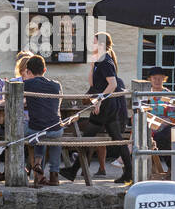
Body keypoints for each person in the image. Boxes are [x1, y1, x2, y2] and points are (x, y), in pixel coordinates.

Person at [62, 33, 133, 184]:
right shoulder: (100, 61)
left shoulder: (106, 61)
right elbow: (93, 84)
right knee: (117, 140)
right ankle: (129, 172)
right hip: (106, 107)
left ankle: (73, 171)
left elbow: (112, 84)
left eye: (94, 43)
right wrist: (92, 65)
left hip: (105, 108)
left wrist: (99, 100)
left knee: (88, 138)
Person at [23, 55, 63, 186]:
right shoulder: (56, 85)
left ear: (28, 71)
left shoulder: (26, 84)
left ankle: (35, 168)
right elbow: (57, 106)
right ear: (44, 70)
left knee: (26, 129)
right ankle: (54, 175)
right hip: (57, 129)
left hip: (37, 129)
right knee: (49, 134)